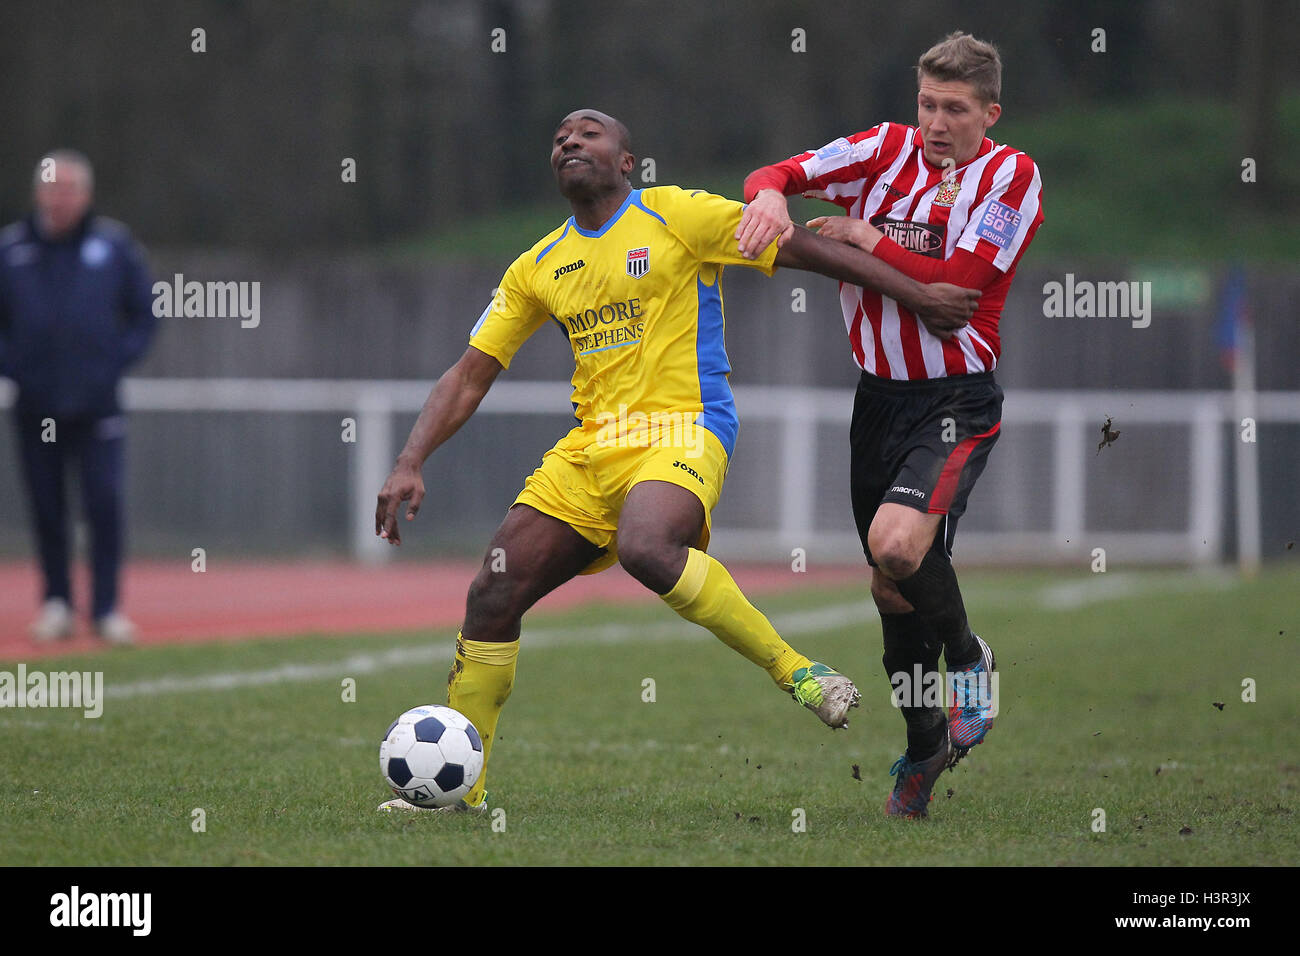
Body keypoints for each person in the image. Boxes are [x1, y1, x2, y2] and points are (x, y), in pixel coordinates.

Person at [374, 108, 980, 812]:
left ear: (627, 161)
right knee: (491, 593)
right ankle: (459, 797)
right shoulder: (537, 266)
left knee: (647, 546)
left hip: (685, 429)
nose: (570, 140)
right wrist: (410, 459)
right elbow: (471, 372)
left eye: (589, 132)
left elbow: (798, 250)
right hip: (588, 451)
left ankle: (799, 673)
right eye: (560, 136)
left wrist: (917, 293)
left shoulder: (676, 216)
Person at [736, 32, 1044, 818]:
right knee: (890, 586)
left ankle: (972, 660)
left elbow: (956, 291)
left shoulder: (1011, 177)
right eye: (927, 105)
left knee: (896, 546)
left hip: (955, 398)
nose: (936, 123)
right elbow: (778, 174)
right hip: (877, 402)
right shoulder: (881, 150)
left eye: (956, 109)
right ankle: (922, 744)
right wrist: (772, 195)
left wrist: (868, 238)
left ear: (989, 113)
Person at [0, 150, 157, 644]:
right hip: (35, 406)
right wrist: (15, 366)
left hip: (97, 406)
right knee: (47, 508)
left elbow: (145, 314)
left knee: (104, 503)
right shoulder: (12, 248)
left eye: (69, 187)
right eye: (52, 186)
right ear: (38, 192)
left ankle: (107, 608)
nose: (60, 196)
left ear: (84, 194)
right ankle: (57, 604)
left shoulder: (113, 246)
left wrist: (112, 361)